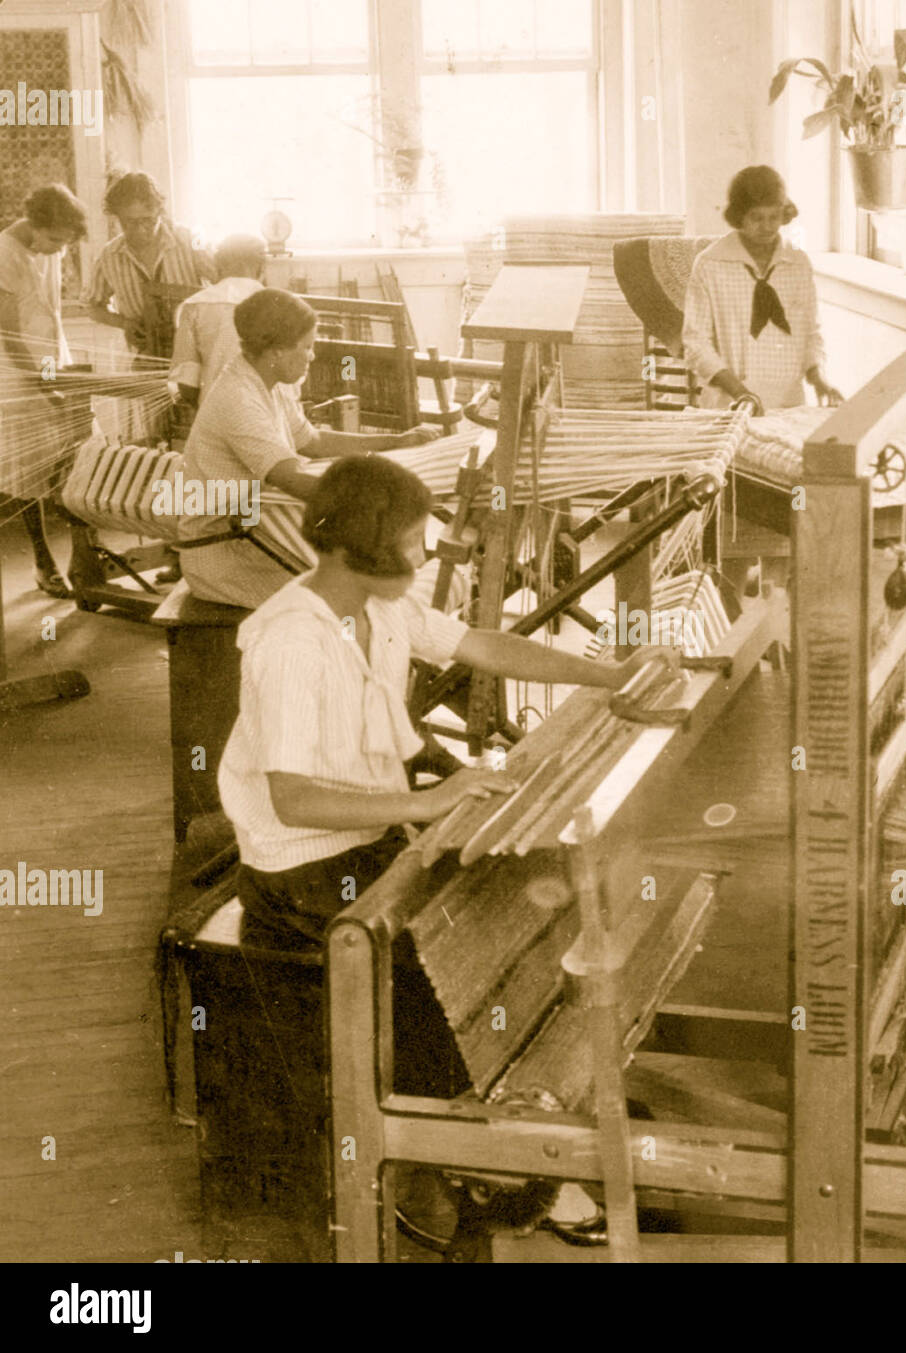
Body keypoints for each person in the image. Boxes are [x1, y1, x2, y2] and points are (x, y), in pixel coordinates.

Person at [220, 454, 673, 1248]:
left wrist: (606, 675)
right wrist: (427, 803)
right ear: (363, 544)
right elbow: (293, 798)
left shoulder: (380, 605)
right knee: (448, 981)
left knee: (513, 908)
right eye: (412, 540)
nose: (425, 554)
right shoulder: (291, 642)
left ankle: (536, 1126)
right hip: (299, 872)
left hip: (364, 839)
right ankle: (490, 1170)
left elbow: (486, 646)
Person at [178, 287, 432, 608]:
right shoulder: (238, 399)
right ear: (277, 353)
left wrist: (396, 442)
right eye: (307, 346)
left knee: (366, 574)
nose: (312, 356)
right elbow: (291, 478)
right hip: (223, 549)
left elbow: (313, 441)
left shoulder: (270, 382)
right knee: (357, 593)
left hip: (254, 531)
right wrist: (377, 498)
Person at [683, 164, 842, 416]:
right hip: (729, 405)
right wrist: (741, 393)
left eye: (775, 217)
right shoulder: (710, 264)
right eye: (757, 218)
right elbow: (696, 343)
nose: (768, 227)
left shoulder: (797, 263)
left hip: (790, 406)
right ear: (738, 217)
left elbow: (811, 334)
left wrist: (818, 379)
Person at [0, 184, 89, 598]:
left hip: (54, 358)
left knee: (76, 454)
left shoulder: (52, 245)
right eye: (54, 240)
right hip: (15, 369)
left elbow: (50, 313)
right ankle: (42, 559)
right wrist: (39, 383)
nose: (59, 251)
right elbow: (9, 335)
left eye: (64, 243)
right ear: (34, 225)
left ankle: (86, 555)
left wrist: (57, 376)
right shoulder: (4, 253)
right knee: (28, 467)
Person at [85, 172, 215, 360]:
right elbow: (92, 306)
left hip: (198, 355)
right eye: (129, 222)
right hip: (147, 355)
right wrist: (125, 323)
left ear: (160, 212)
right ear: (116, 217)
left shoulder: (191, 240)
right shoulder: (109, 256)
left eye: (147, 220)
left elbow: (223, 284)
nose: (139, 229)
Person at [170, 234, 266, 407]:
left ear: (217, 265)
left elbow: (187, 386)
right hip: (269, 416)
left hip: (215, 413)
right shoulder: (283, 305)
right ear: (261, 267)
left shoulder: (193, 306)